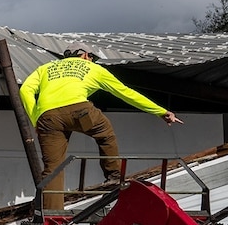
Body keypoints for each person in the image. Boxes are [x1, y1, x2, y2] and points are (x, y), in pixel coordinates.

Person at [20, 48, 181, 210]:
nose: (92, 61)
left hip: (47, 117)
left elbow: (25, 90)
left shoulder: (45, 68)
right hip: (79, 110)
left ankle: (51, 214)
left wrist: (36, 119)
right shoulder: (94, 69)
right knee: (105, 134)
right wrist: (160, 111)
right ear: (85, 55)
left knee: (52, 168)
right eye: (92, 58)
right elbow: (125, 93)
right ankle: (113, 176)